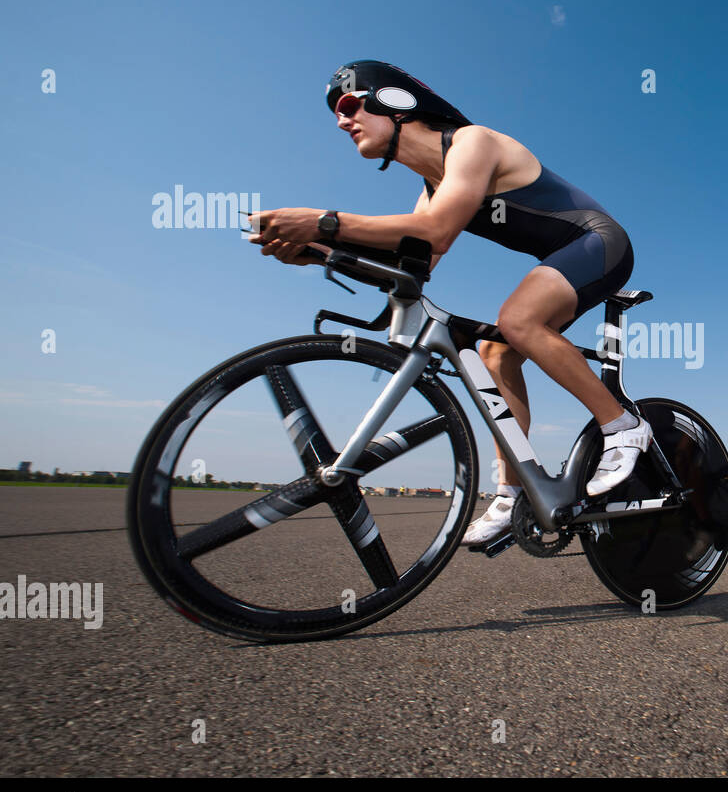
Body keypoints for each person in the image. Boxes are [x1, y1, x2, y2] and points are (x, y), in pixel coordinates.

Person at [248, 60, 652, 545]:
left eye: (350, 105)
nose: (341, 120)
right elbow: (418, 261)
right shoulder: (432, 189)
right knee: (495, 353)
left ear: (396, 103)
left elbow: (436, 231)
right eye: (338, 113)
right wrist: (320, 255)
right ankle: (513, 493)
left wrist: (323, 222)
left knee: (518, 319)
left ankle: (623, 426)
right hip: (563, 254)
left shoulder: (471, 142)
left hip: (599, 241)